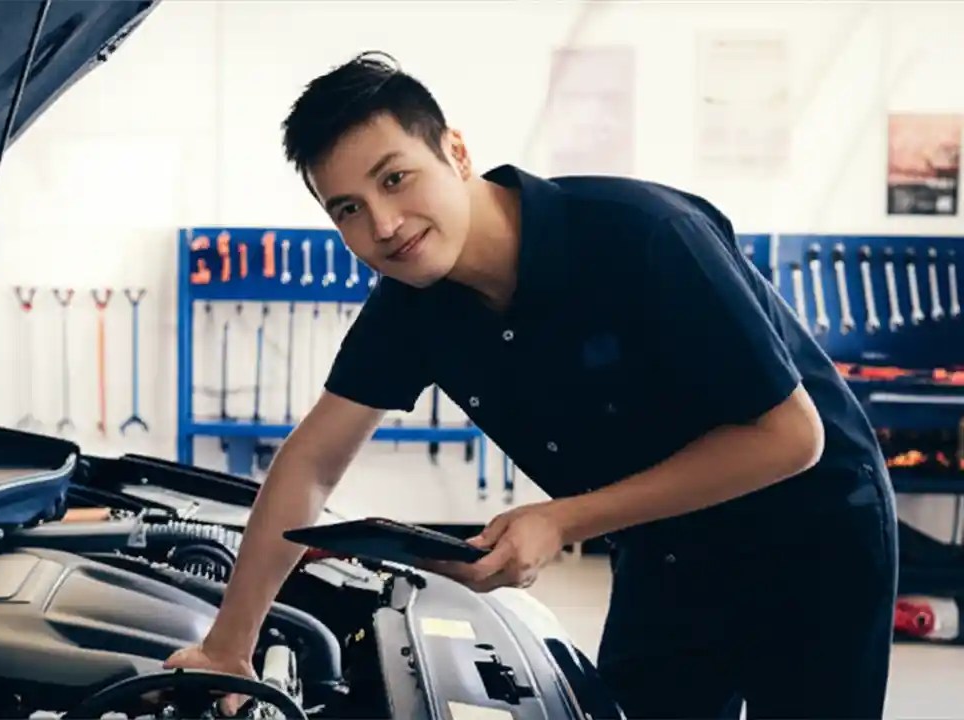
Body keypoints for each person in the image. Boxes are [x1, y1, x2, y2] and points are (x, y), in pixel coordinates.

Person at [165, 51, 898, 719]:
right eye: (347, 210)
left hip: (811, 538)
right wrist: (229, 647)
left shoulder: (644, 236)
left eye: (395, 178)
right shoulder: (413, 307)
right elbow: (311, 461)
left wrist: (561, 520)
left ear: (455, 151)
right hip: (667, 546)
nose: (383, 225)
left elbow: (792, 436)